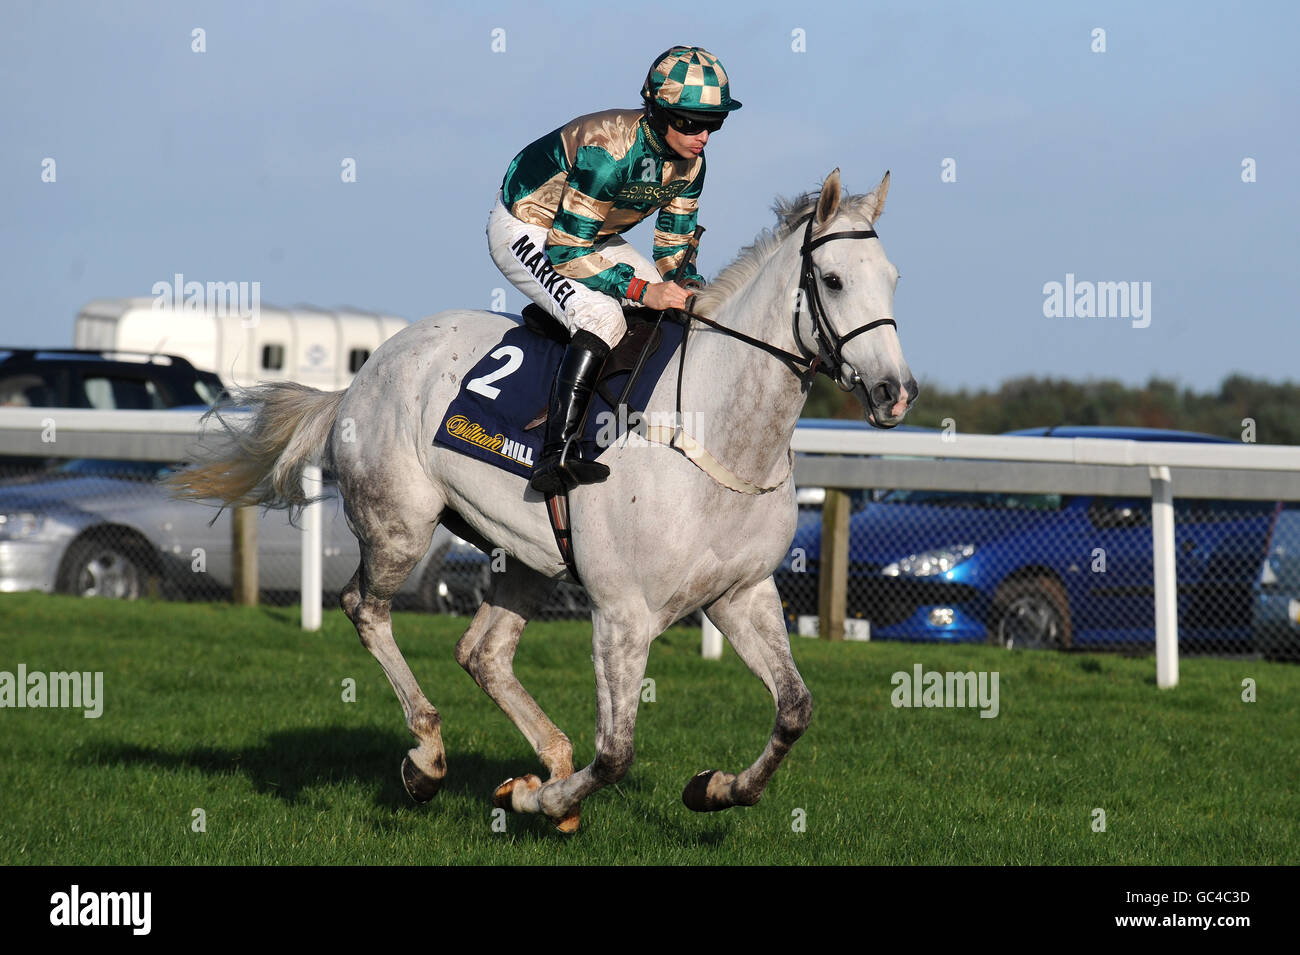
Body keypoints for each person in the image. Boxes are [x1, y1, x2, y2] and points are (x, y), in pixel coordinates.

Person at [486, 45, 742, 495]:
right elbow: (565, 251)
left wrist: (686, 284)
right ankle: (556, 452)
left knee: (673, 306)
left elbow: (674, 244)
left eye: (713, 124)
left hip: (592, 234)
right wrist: (643, 290)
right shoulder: (609, 151)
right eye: (689, 122)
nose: (702, 136)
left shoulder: (693, 162)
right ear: (659, 112)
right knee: (604, 317)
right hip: (531, 225)